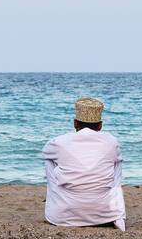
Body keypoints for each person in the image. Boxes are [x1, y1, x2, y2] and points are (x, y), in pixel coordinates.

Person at [41, 96, 126, 229]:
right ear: (100, 125)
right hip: (104, 213)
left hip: (63, 216)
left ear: (75, 123)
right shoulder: (111, 142)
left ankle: (62, 206)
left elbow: (45, 153)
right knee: (117, 162)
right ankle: (112, 210)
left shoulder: (58, 142)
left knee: (49, 160)